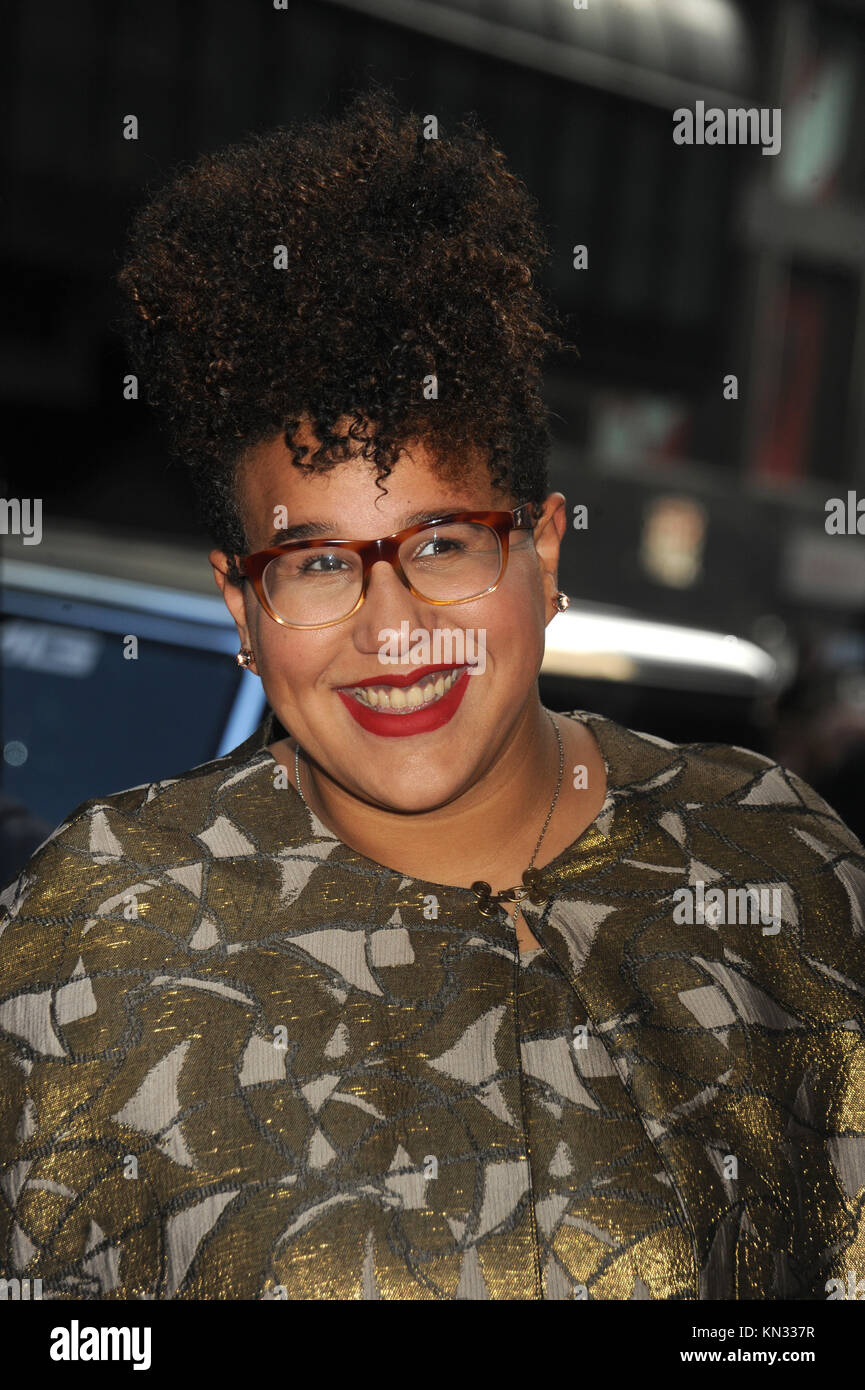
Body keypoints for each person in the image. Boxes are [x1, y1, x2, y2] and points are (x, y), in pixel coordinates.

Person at [1, 90, 864, 1302]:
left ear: (544, 555)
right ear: (244, 608)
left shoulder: (780, 863)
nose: (393, 629)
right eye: (313, 563)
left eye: (444, 544)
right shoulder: (98, 929)